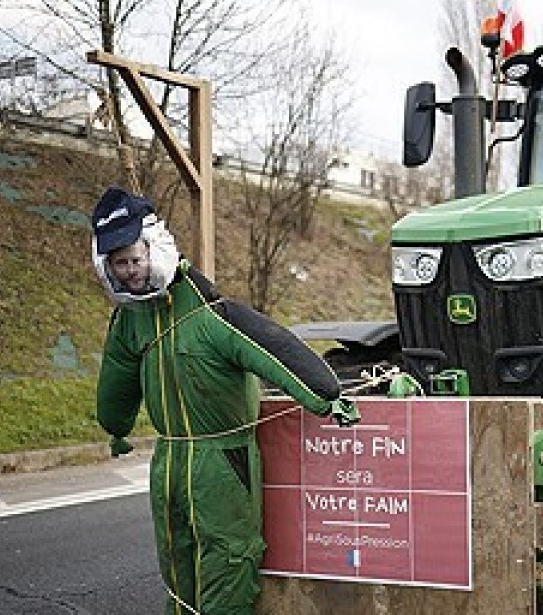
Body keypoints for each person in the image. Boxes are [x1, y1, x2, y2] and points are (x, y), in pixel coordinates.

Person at [90, 186, 358, 614]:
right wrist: (116, 427)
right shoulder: (129, 322)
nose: (129, 272)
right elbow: (117, 386)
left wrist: (325, 397)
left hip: (222, 461)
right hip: (170, 461)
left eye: (135, 260)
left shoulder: (212, 314)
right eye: (119, 264)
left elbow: (275, 349)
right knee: (176, 566)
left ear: (155, 249)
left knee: (230, 561)